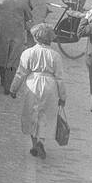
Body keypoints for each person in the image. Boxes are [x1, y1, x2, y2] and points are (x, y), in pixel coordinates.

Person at [10, 23, 65, 159]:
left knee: (31, 113)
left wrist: (13, 89)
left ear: (35, 38)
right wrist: (62, 96)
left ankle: (34, 143)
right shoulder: (55, 56)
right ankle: (41, 141)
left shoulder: (28, 53)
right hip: (50, 85)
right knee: (46, 114)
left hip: (32, 83)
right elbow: (60, 78)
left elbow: (20, 73)